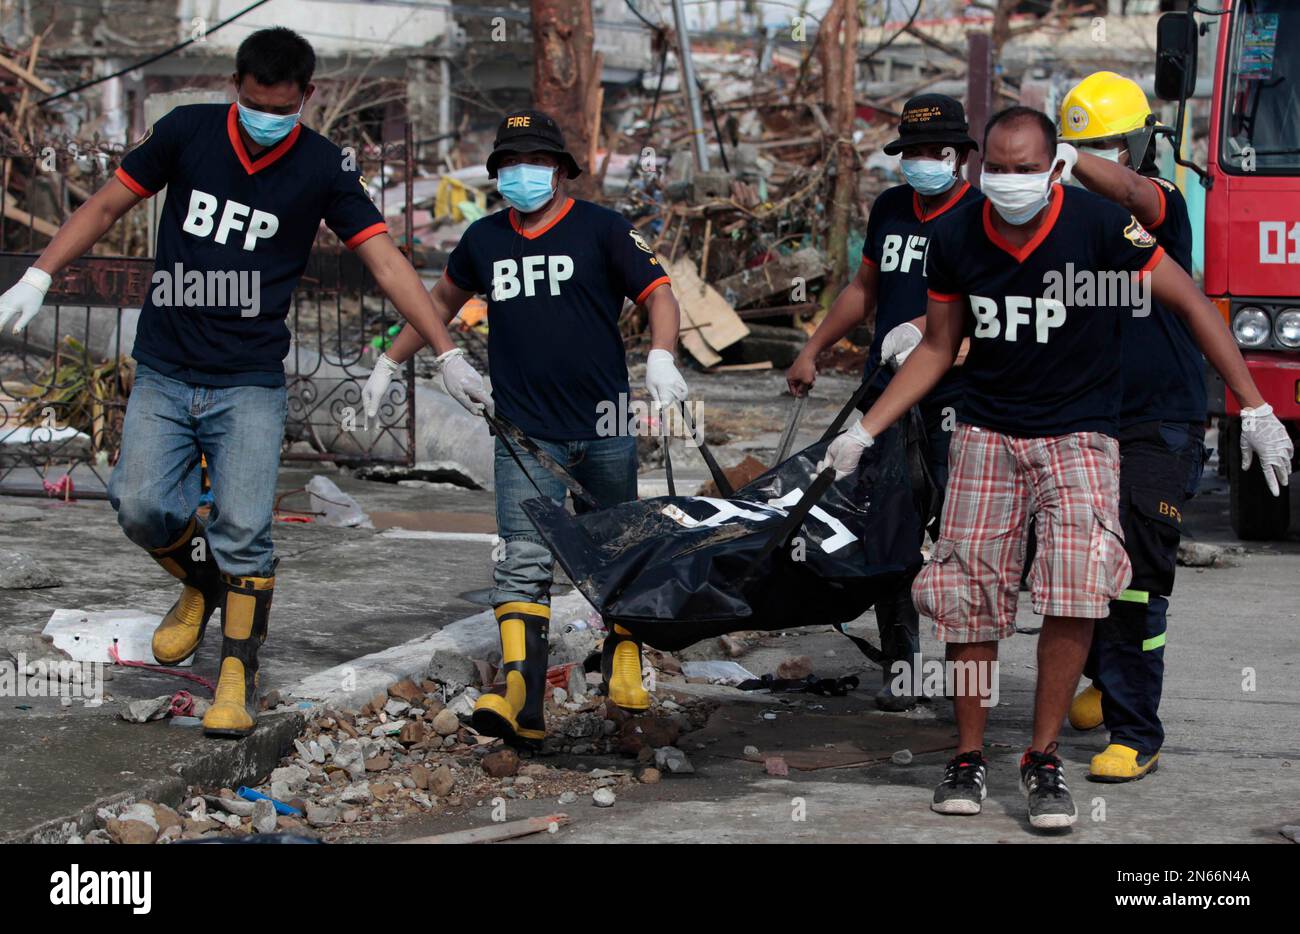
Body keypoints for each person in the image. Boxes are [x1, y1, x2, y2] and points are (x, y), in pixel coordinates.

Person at [821, 106, 1292, 830]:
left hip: (1079, 437)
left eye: (1023, 169)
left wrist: (1254, 407)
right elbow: (940, 347)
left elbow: (1193, 303)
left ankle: (1041, 758)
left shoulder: (1097, 227)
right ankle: (969, 752)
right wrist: (865, 427)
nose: (1007, 182)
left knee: (1076, 591)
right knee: (968, 600)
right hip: (985, 433)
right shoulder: (953, 234)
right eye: (996, 170)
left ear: (1054, 168)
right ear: (981, 169)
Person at [0, 28, 467, 737]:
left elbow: (386, 263)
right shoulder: (187, 132)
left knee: (245, 531)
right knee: (139, 503)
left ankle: (237, 675)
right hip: (165, 365)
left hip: (248, 380)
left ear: (306, 97)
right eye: (252, 103)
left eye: (279, 108)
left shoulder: (323, 167)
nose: (263, 118)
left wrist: (445, 351)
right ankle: (201, 583)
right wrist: (39, 274)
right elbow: (104, 206)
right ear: (234, 87)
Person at [363, 110, 686, 748]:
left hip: (606, 426)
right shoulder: (483, 240)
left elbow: (659, 292)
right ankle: (522, 696)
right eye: (510, 165)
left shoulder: (604, 229)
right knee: (522, 559)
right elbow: (436, 305)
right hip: (522, 432)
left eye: (536, 164)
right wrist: (388, 362)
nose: (523, 176)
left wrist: (661, 354)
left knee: (615, 544)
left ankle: (623, 660)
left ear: (562, 171)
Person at [786, 94, 981, 711]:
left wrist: (930, 332)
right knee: (888, 528)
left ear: (961, 156)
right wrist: (813, 347)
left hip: (957, 398)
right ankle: (904, 664)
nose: (921, 163)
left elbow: (988, 310)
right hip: (885, 397)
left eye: (933, 153)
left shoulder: (982, 216)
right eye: (911, 153)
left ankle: (966, 669)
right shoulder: (893, 207)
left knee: (959, 536)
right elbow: (865, 288)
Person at [1059, 72, 1216, 782]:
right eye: (1082, 149)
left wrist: (1063, 156)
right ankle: (1099, 673)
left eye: (1106, 148)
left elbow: (1133, 194)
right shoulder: (1059, 225)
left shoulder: (1165, 207)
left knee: (1137, 580)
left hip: (1159, 420)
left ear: (1141, 144)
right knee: (1069, 567)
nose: (1096, 163)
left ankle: (1135, 730)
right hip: (1082, 415)